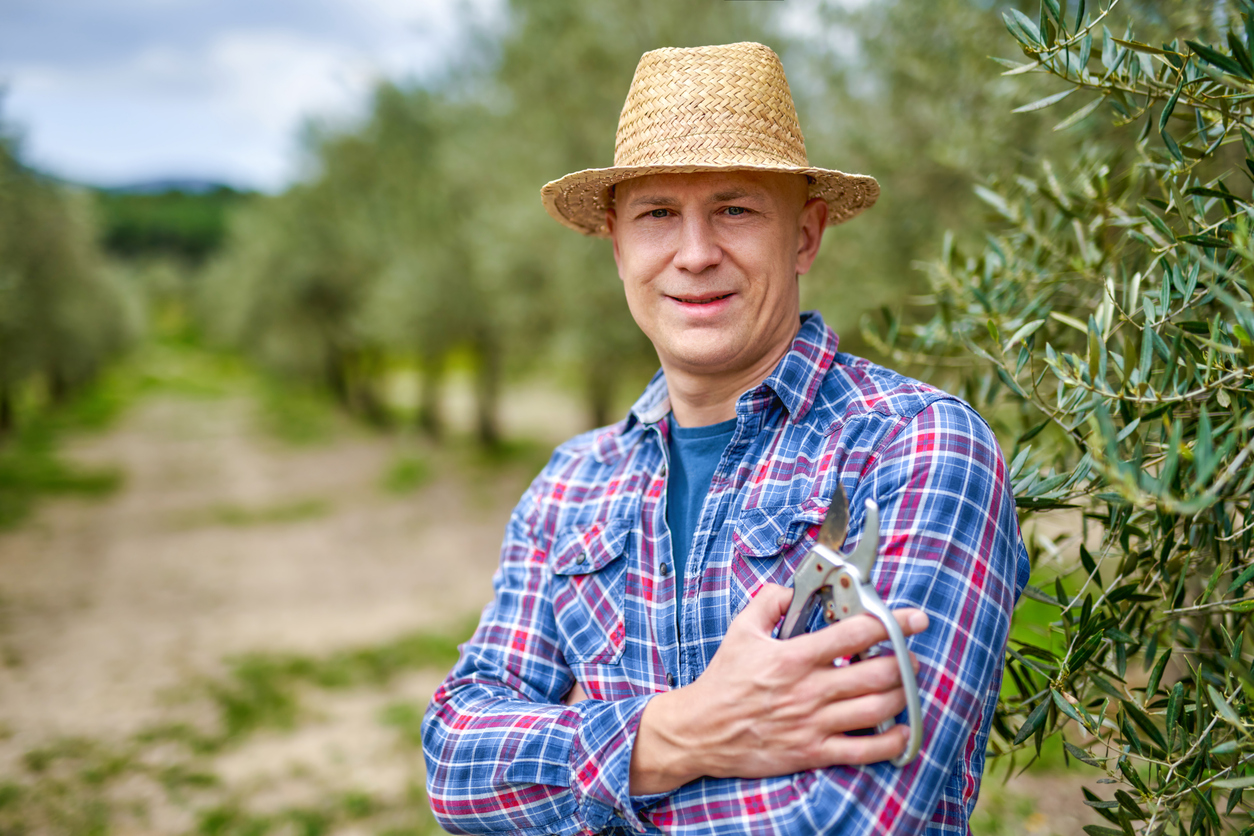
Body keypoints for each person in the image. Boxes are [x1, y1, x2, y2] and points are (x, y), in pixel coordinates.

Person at [422, 42, 1028, 834]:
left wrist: (580, 780)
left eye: (736, 208)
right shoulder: (572, 482)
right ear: (617, 244)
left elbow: (861, 814)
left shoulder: (915, 449)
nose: (697, 253)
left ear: (805, 235)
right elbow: (455, 762)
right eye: (657, 214)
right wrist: (686, 731)